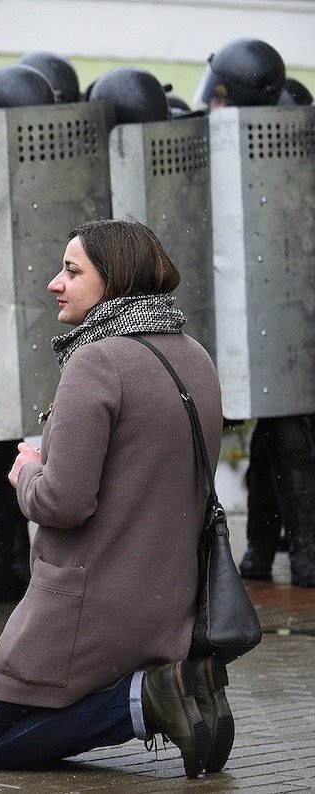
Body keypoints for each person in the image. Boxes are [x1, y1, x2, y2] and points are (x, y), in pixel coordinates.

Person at [0, 219, 231, 779]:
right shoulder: (194, 355)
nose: (54, 283)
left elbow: (64, 503)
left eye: (72, 270)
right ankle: (168, 691)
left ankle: (151, 699)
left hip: (91, 602)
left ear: (113, 279)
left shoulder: (96, 360)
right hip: (170, 600)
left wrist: (27, 475)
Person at [194, 38, 315, 588]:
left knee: (286, 435)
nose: (211, 106)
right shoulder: (205, 144)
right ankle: (262, 550)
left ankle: (284, 551)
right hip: (225, 312)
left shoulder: (287, 141)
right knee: (276, 436)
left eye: (222, 94)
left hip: (282, 313)